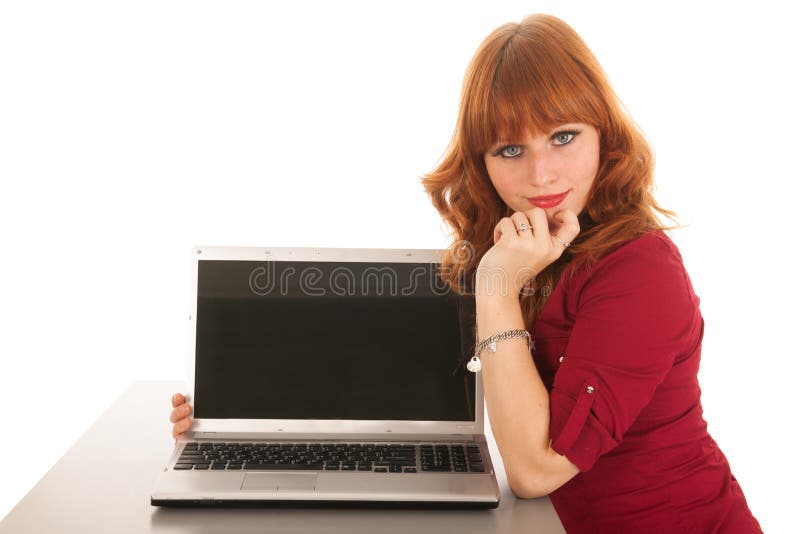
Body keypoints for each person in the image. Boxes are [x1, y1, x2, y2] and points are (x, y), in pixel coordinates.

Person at [170, 14, 762, 532]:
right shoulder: (517, 248)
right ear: (480, 163)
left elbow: (533, 470)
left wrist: (498, 285)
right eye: (510, 150)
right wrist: (237, 410)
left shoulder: (639, 269)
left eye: (563, 136)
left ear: (605, 135)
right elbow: (388, 374)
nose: (541, 175)